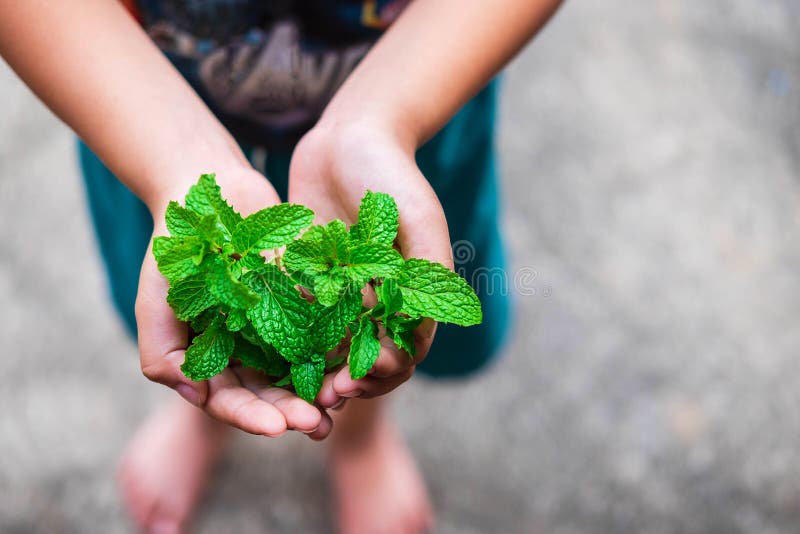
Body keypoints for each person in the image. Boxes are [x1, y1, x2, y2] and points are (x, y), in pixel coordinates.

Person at [0, 1, 561, 532]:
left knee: (368, 324)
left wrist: (381, 119)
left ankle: (360, 437)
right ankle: (200, 410)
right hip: (145, 101)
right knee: (189, 318)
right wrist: (174, 161)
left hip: (420, 77)